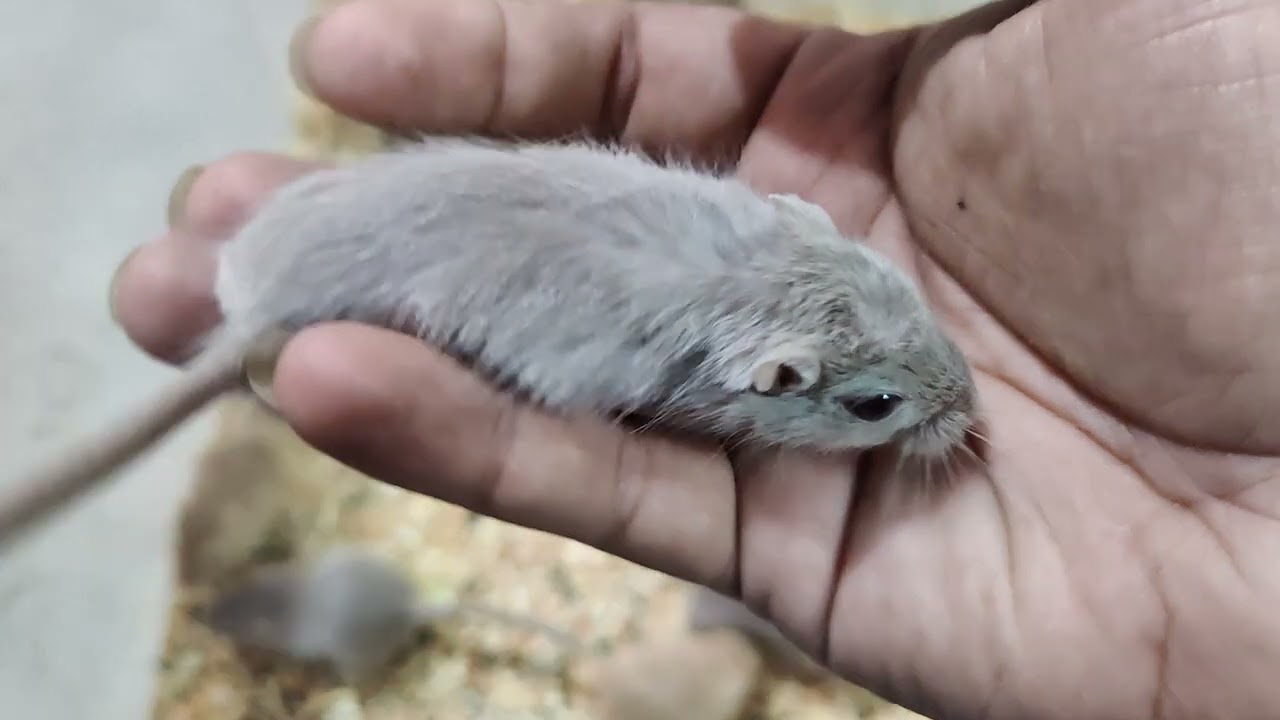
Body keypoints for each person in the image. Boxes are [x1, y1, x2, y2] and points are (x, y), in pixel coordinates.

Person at [108, 0, 1280, 716]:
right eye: (874, 403)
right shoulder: (699, 353)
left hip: (320, 234)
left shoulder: (756, 226)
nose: (939, 409)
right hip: (342, 266)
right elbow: (579, 379)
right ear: (772, 381)